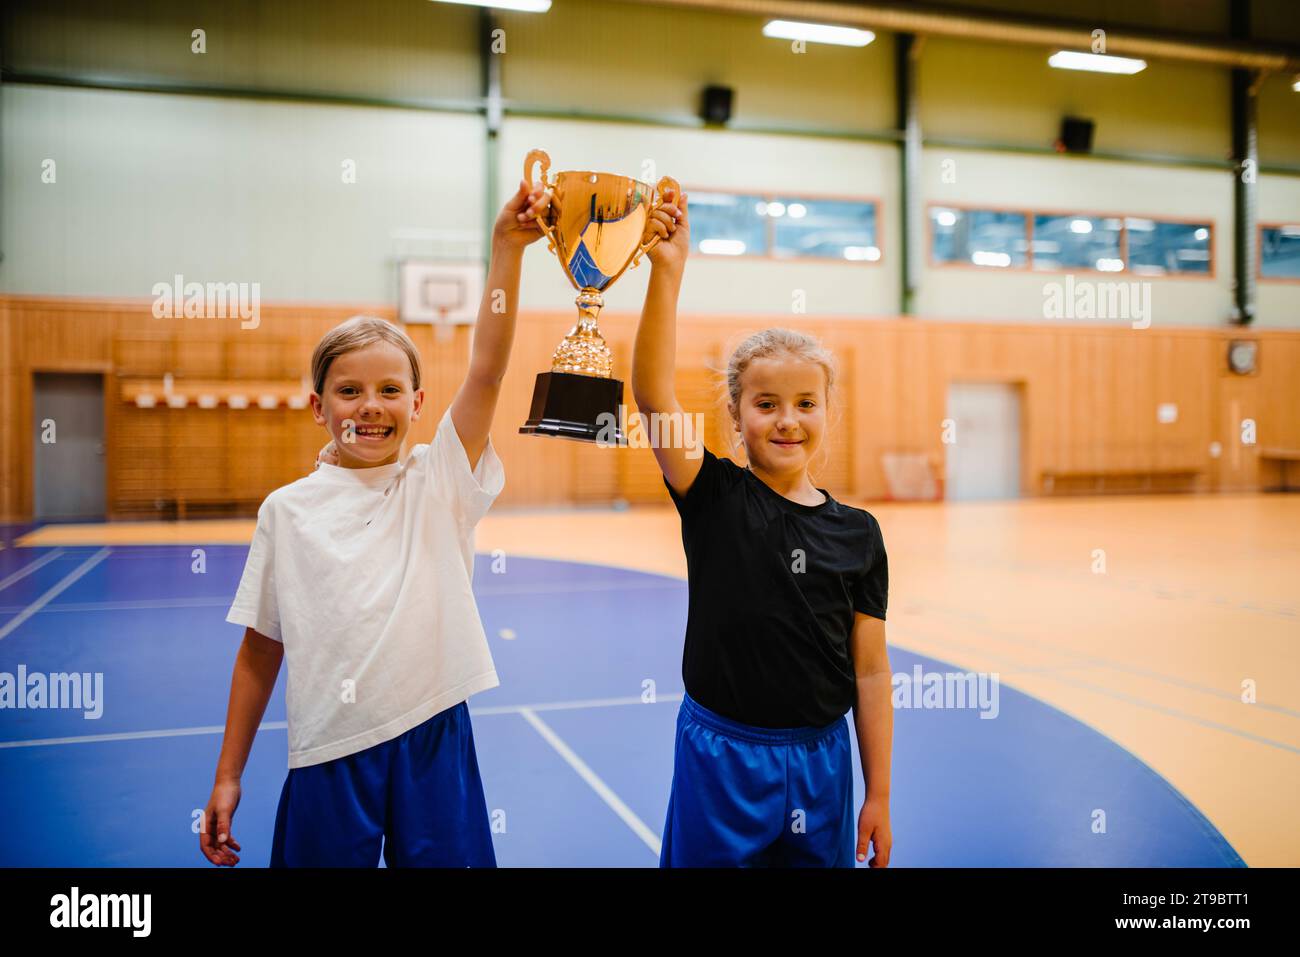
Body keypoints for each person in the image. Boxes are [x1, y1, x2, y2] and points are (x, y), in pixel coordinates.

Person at [199, 179, 550, 867]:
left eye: (390, 389)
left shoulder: (438, 478)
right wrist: (228, 772)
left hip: (432, 735)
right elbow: (259, 651)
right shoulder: (288, 511)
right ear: (317, 405)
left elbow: (485, 372)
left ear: (418, 401)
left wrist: (506, 250)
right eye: (349, 389)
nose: (371, 405)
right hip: (329, 748)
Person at [632, 190, 895, 867]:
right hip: (721, 753)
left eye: (806, 403)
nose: (787, 419)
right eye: (766, 403)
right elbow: (654, 395)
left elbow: (870, 673)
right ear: (736, 412)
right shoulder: (714, 495)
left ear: (827, 411)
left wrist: (879, 793)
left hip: (822, 760)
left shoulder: (859, 534)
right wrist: (668, 268)